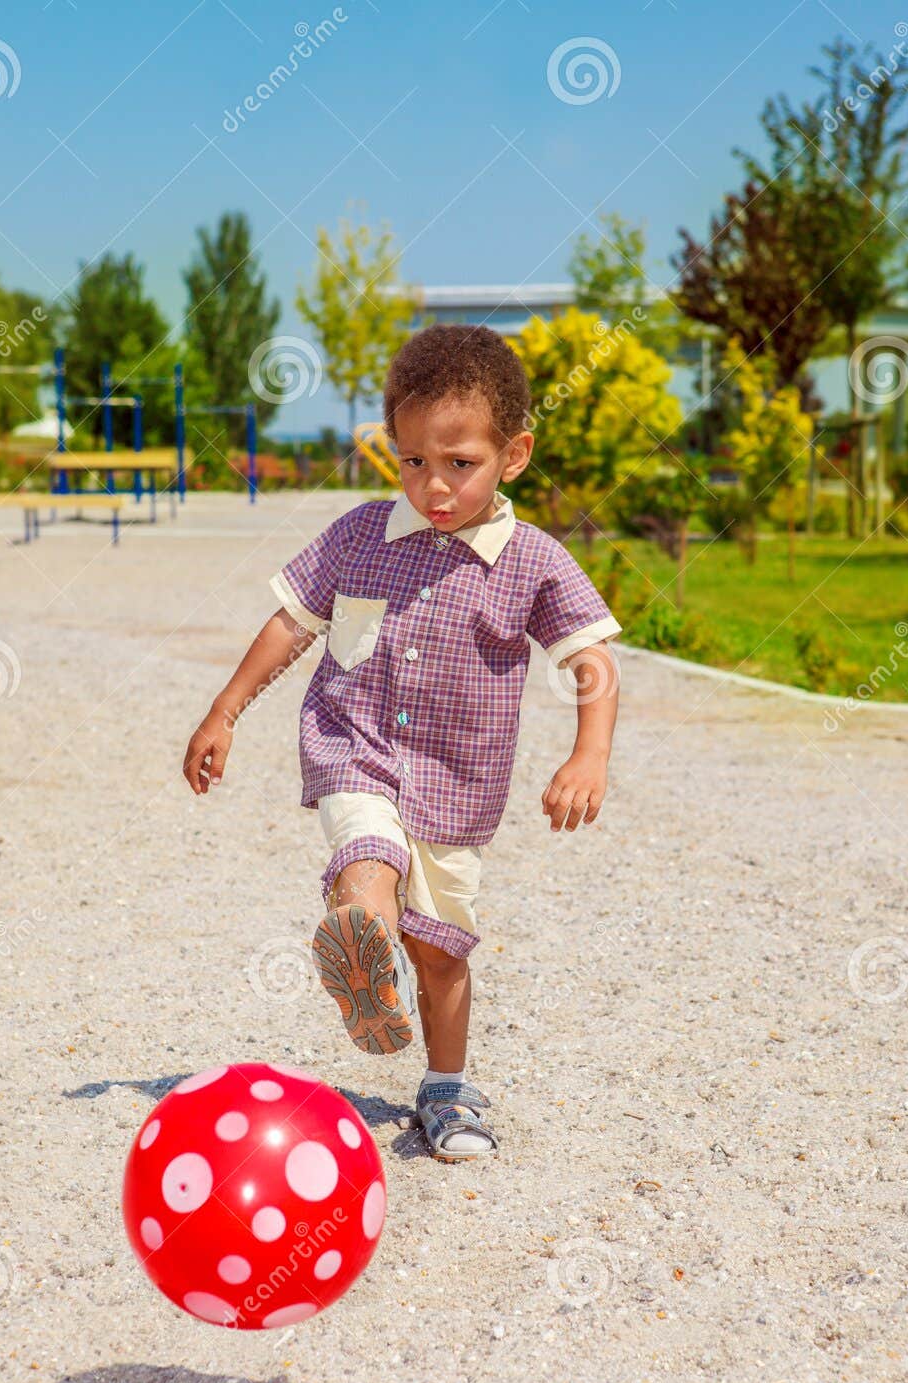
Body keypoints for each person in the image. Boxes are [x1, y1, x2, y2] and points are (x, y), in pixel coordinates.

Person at [183, 324, 621, 1162]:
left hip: (457, 786)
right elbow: (290, 624)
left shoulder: (532, 561)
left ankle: (445, 1088)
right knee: (368, 849)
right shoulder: (357, 535)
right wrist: (225, 710)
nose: (434, 484)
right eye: (413, 461)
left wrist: (589, 753)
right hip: (352, 745)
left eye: (460, 462)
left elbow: (590, 659)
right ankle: (364, 942)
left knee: (441, 951)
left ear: (514, 455)